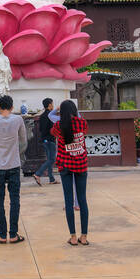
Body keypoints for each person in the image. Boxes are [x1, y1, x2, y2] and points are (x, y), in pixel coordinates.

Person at [0, 93, 28, 243]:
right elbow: (23, 138)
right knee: (14, 199)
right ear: (12, 107)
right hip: (14, 164)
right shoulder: (18, 119)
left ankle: (2, 235)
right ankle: (14, 234)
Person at [52, 100, 89, 245]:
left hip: (65, 165)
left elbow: (53, 133)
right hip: (81, 164)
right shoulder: (82, 123)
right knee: (82, 200)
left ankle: (73, 237)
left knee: (68, 201)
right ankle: (84, 237)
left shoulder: (58, 126)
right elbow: (84, 133)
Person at [32, 97, 59, 186]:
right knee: (52, 160)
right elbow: (53, 129)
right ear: (50, 105)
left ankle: (51, 178)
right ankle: (37, 174)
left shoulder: (42, 116)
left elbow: (40, 129)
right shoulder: (50, 116)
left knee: (49, 159)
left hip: (44, 140)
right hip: (50, 140)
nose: (53, 105)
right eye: (52, 104)